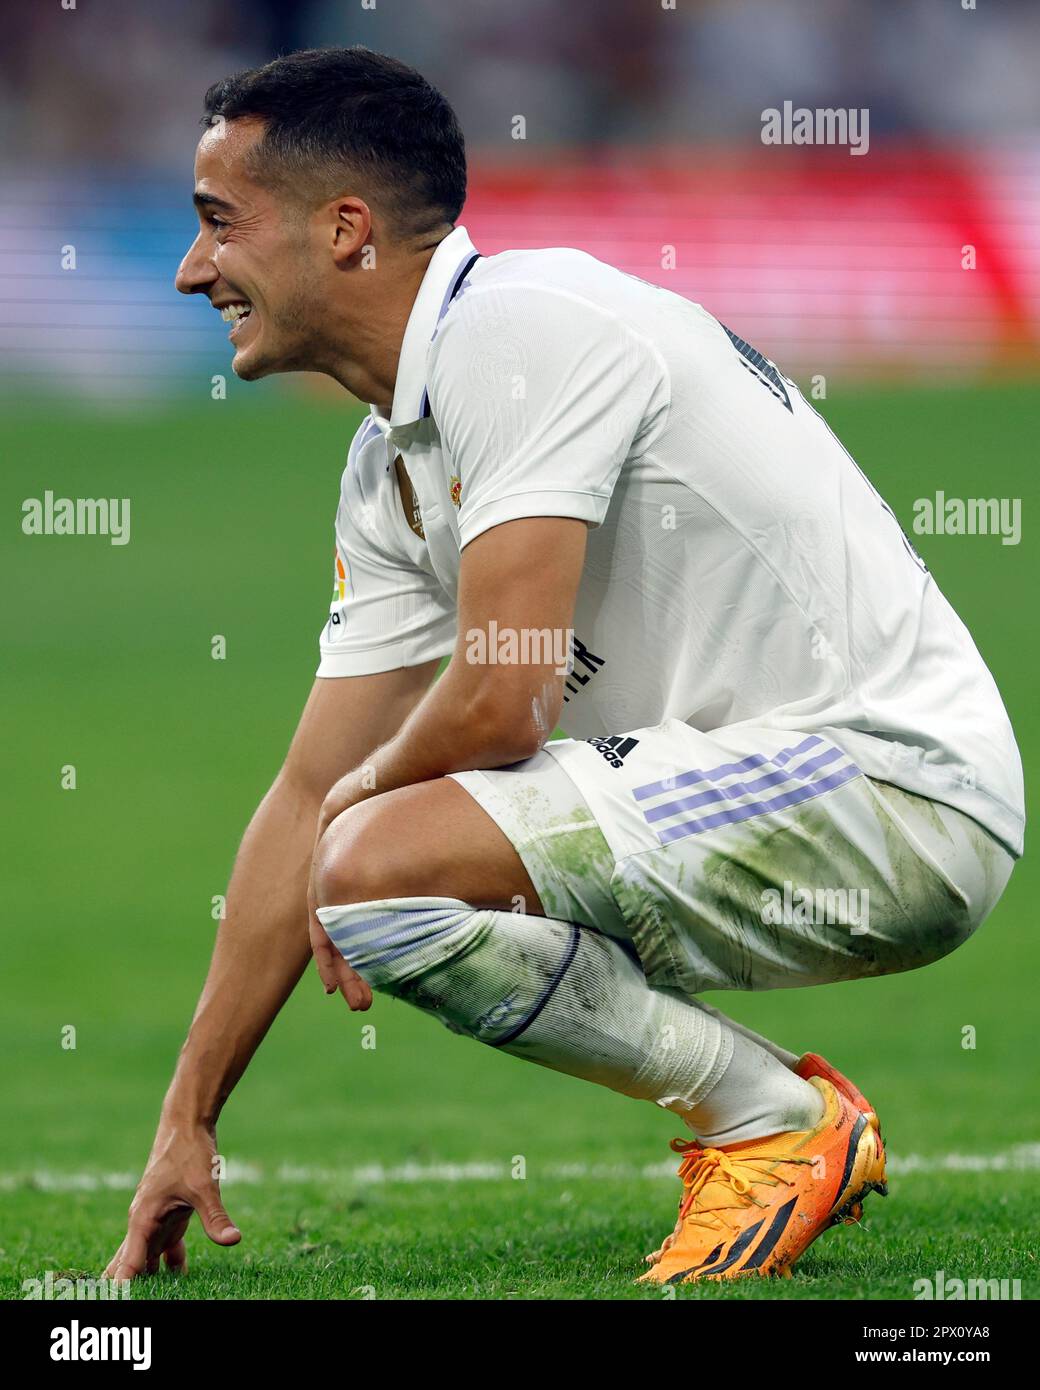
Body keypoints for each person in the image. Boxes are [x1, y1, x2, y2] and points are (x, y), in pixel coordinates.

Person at [105, 46, 1023, 1287]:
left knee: (372, 860)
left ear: (344, 229)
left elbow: (505, 691)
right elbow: (301, 794)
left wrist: (353, 815)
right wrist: (187, 1114)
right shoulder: (389, 465)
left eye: (218, 223)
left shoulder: (521, 331)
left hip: (897, 791)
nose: (190, 267)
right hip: (763, 794)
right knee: (363, 864)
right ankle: (771, 1118)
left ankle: (770, 1124)